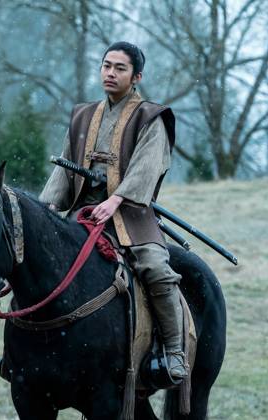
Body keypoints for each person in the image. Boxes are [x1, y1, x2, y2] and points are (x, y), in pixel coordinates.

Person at [39, 41, 187, 380]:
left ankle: (174, 351)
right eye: (106, 65)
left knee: (156, 269)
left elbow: (146, 168)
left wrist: (116, 199)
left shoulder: (152, 117)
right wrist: (46, 207)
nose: (110, 73)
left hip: (131, 217)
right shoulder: (82, 116)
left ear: (136, 77)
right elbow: (64, 170)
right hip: (82, 216)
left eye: (120, 68)